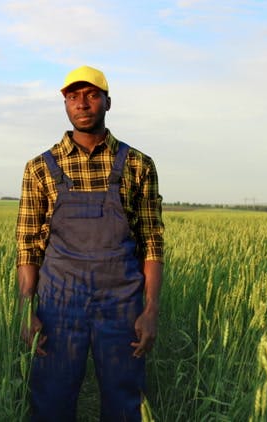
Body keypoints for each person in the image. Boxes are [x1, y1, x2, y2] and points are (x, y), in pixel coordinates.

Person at [16, 65, 164, 421]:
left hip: (122, 304)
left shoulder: (138, 165)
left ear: (107, 102)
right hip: (58, 305)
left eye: (91, 95)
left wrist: (151, 309)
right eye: (73, 97)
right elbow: (28, 245)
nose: (82, 104)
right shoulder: (38, 168)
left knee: (124, 401)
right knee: (51, 401)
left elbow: (152, 241)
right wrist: (25, 309)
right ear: (65, 105)